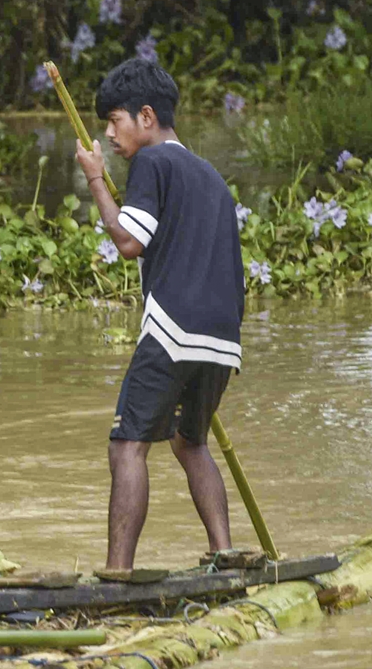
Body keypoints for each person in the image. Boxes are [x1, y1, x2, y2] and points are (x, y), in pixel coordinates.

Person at [73, 58, 246, 570]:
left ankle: (117, 573)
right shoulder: (212, 177)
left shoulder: (151, 163)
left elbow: (129, 241)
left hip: (173, 330)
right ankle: (224, 552)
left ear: (146, 117)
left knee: (127, 445)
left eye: (115, 121)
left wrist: (96, 178)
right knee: (190, 443)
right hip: (222, 339)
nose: (110, 134)